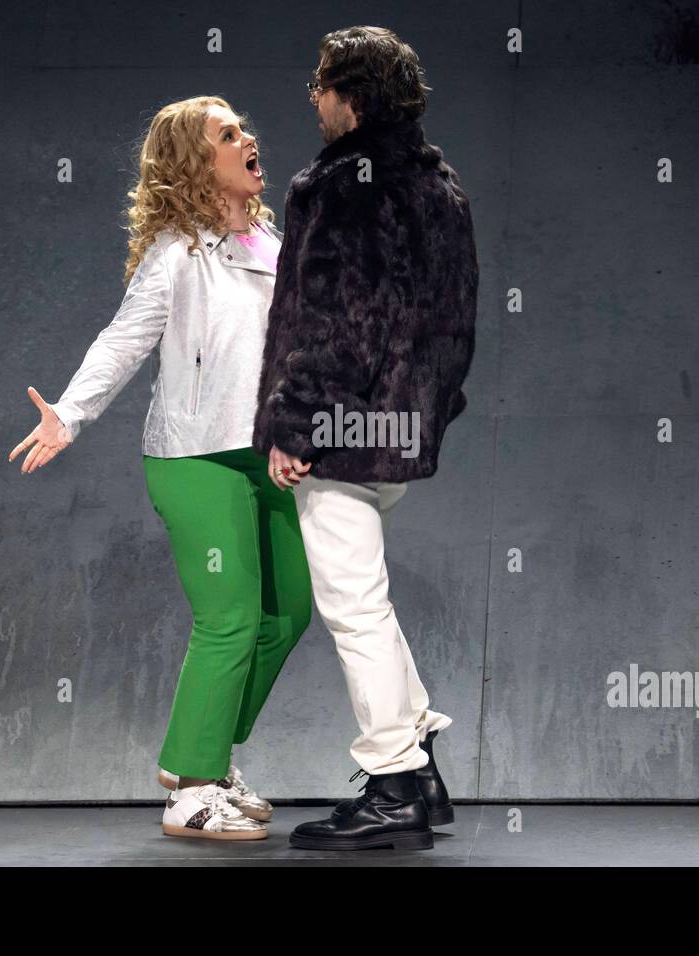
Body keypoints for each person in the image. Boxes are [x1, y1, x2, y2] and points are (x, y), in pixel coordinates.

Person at [9, 95, 312, 842]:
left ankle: (199, 756)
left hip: (263, 453)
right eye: (228, 133)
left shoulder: (271, 239)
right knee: (232, 617)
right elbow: (123, 341)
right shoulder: (177, 252)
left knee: (288, 612)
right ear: (194, 161)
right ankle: (192, 787)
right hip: (195, 456)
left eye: (245, 127)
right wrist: (70, 414)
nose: (249, 138)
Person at [252, 26, 479, 850]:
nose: (312, 99)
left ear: (352, 96)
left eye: (320, 85)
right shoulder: (437, 183)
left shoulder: (343, 185)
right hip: (396, 424)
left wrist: (294, 423)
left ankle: (393, 782)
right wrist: (426, 408)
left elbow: (336, 321)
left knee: (351, 604)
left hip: (341, 426)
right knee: (364, 596)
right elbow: (452, 322)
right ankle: (417, 769)